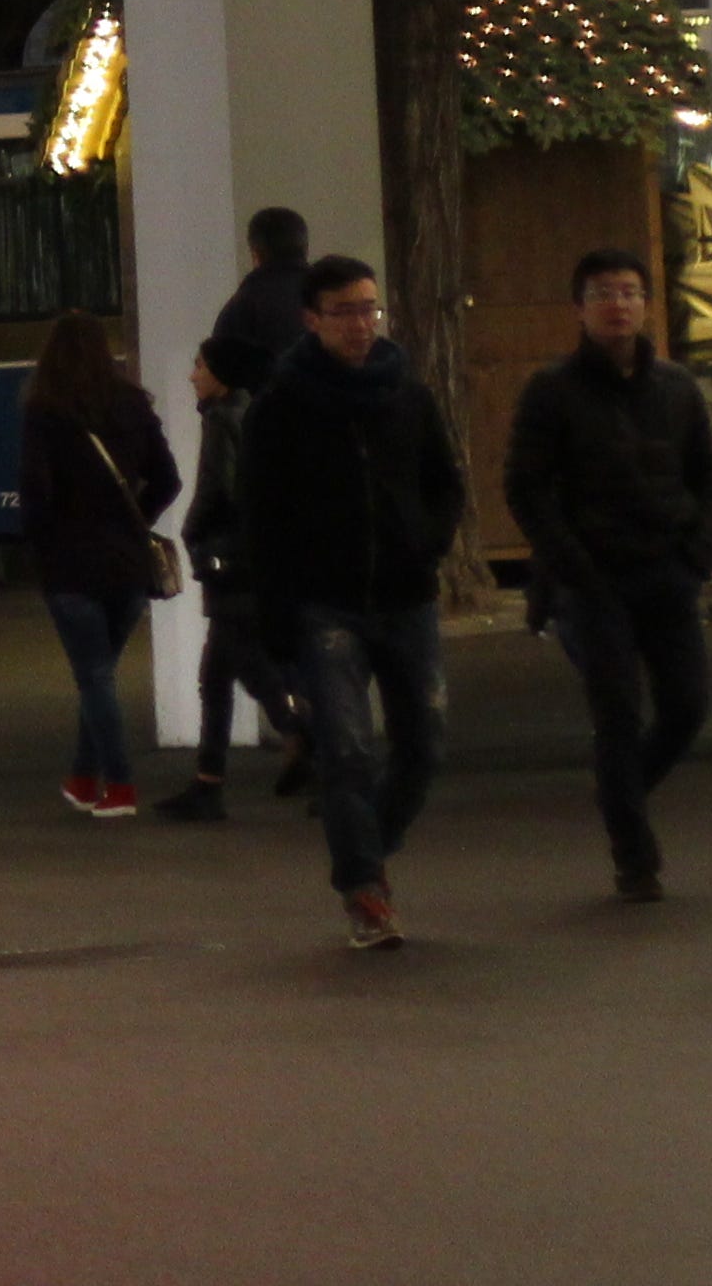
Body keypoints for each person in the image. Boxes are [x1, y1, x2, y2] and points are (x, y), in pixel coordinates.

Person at [235, 252, 464, 952]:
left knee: (424, 744)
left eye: (370, 309)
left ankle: (368, 848)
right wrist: (276, 619)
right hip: (322, 602)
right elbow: (261, 519)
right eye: (345, 312)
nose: (361, 324)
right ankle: (364, 888)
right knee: (347, 749)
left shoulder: (407, 395)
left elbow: (444, 484)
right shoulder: (280, 410)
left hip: (405, 594)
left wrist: (424, 544)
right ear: (313, 320)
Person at [502, 244, 712, 900]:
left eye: (629, 292)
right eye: (603, 293)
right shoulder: (552, 390)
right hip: (593, 579)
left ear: (646, 304)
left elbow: (708, 473)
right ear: (580, 308)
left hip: (669, 570)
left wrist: (701, 553)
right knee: (618, 711)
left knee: (688, 706)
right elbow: (526, 487)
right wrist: (570, 564)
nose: (618, 304)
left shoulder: (677, 388)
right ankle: (635, 852)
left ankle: (619, 790)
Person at [17, 309, 183, 818]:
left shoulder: (46, 410)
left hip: (72, 565)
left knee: (95, 677)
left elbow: (36, 494)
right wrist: (137, 517)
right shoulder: (134, 404)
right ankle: (84, 779)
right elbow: (168, 479)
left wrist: (44, 546)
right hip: (127, 563)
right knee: (100, 674)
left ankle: (120, 786)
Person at [166, 336, 302, 822]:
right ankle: (211, 780)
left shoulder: (223, 420)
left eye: (199, 365)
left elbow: (215, 488)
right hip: (253, 559)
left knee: (230, 668)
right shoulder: (250, 414)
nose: (192, 375)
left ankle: (298, 737)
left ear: (219, 373)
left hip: (230, 560)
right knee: (223, 671)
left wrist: (192, 531)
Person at [210, 209, 317, 363]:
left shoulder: (239, 308)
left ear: (255, 254)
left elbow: (220, 373)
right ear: (305, 248)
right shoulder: (331, 296)